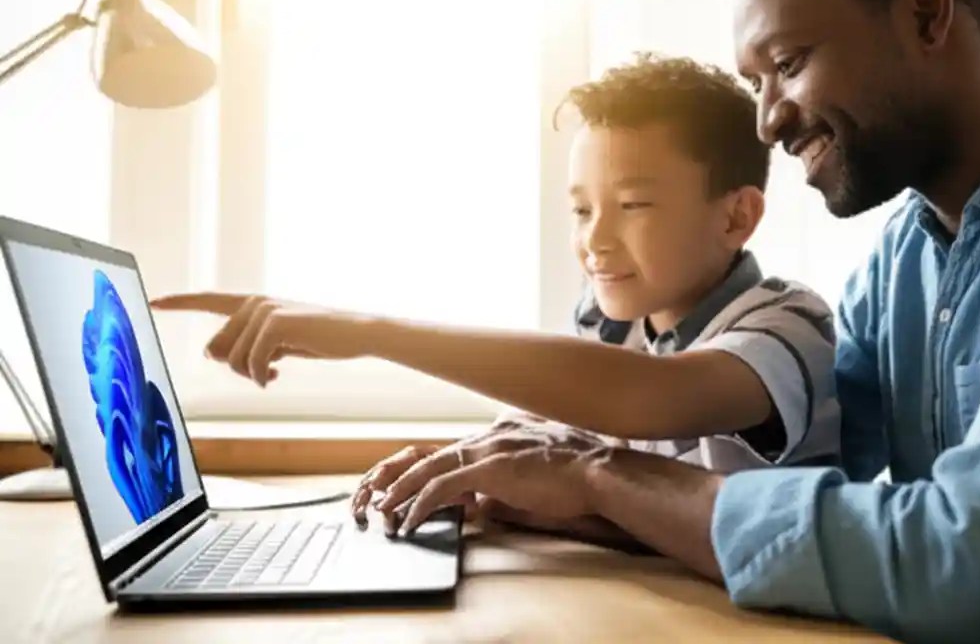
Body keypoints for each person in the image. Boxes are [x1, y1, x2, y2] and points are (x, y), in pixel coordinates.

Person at [342, 0, 980, 643]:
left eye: (788, 64)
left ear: (927, 13)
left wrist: (597, 474)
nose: (766, 122)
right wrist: (537, 487)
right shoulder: (901, 262)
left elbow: (978, 565)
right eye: (755, 81)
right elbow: (797, 498)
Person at [151, 54, 841, 540]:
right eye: (581, 210)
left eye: (632, 205)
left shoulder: (787, 325)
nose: (595, 240)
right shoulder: (612, 318)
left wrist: (371, 333)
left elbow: (647, 398)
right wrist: (468, 462)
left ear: (736, 217)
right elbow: (565, 440)